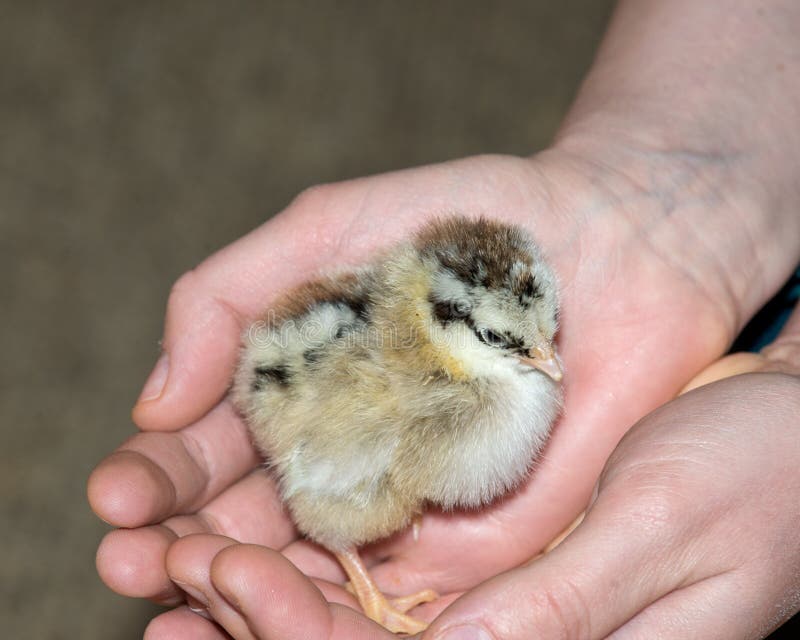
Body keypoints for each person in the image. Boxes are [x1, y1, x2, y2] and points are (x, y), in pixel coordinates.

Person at [88, 0, 800, 637]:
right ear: (443, 319)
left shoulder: (474, 353)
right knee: (355, 488)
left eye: (544, 333)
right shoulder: (419, 388)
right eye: (506, 339)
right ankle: (363, 577)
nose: (545, 356)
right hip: (331, 412)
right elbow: (334, 480)